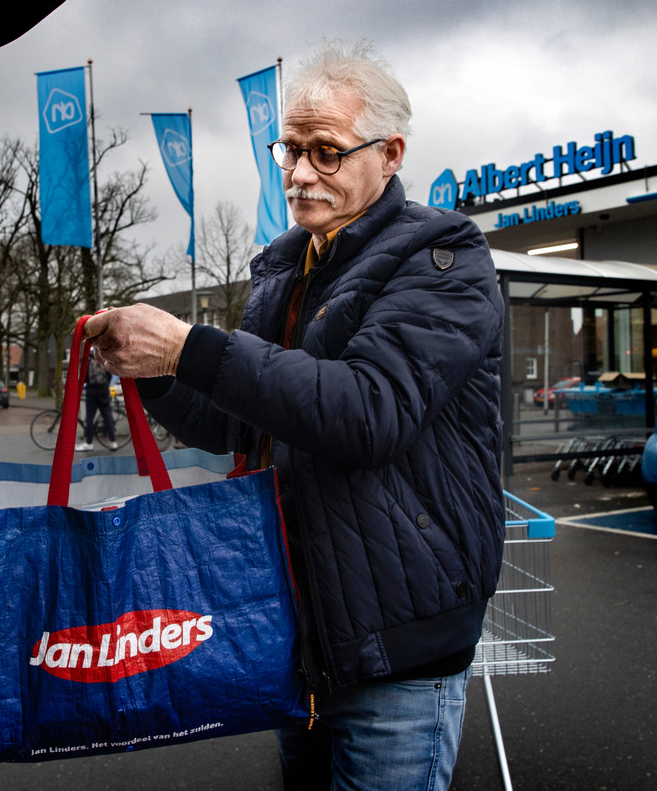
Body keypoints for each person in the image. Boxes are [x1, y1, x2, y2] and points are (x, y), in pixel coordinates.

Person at [83, 39, 505, 790]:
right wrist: (148, 368)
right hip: (297, 631)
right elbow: (236, 424)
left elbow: (367, 412)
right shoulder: (287, 266)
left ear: (391, 153)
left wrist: (190, 346)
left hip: (397, 644)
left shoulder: (444, 257)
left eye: (327, 152)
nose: (301, 172)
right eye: (291, 149)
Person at [77, 348, 119, 452]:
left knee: (89, 418)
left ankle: (89, 443)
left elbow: (84, 377)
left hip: (91, 391)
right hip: (104, 390)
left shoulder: (87, 360)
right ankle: (113, 442)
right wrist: (105, 385)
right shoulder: (104, 358)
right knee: (107, 416)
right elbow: (109, 374)